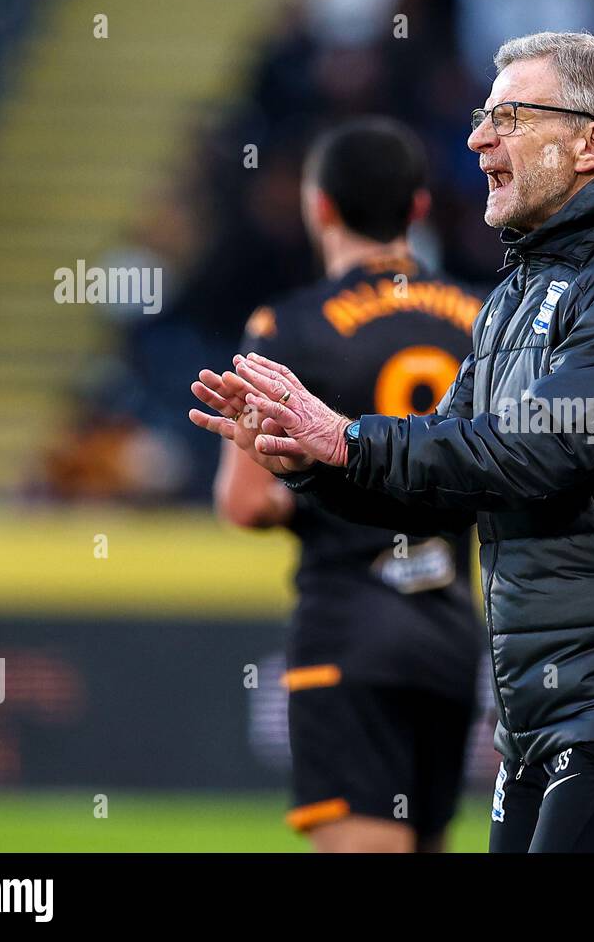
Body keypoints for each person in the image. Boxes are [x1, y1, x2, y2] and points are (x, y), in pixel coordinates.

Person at [191, 31, 594, 852]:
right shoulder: (516, 290)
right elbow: (453, 461)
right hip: (544, 695)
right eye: (480, 115)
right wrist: (315, 462)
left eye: (509, 116)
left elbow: (536, 449)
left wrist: (348, 437)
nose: (476, 140)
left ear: (592, 143)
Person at [201, 118, 483, 852]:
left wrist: (308, 489)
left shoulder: (289, 329)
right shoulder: (485, 321)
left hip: (350, 628)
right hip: (452, 633)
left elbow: (246, 503)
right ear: (419, 209)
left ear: (318, 205)